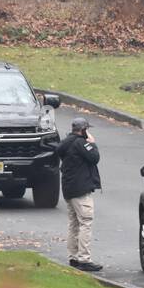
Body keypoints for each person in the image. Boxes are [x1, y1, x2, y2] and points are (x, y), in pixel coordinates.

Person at [58, 116, 102, 272]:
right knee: (85, 222)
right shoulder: (81, 143)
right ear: (83, 130)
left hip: (69, 189)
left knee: (74, 223)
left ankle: (73, 256)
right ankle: (84, 258)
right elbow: (94, 157)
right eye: (87, 129)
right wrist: (92, 143)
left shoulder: (66, 142)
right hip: (81, 189)